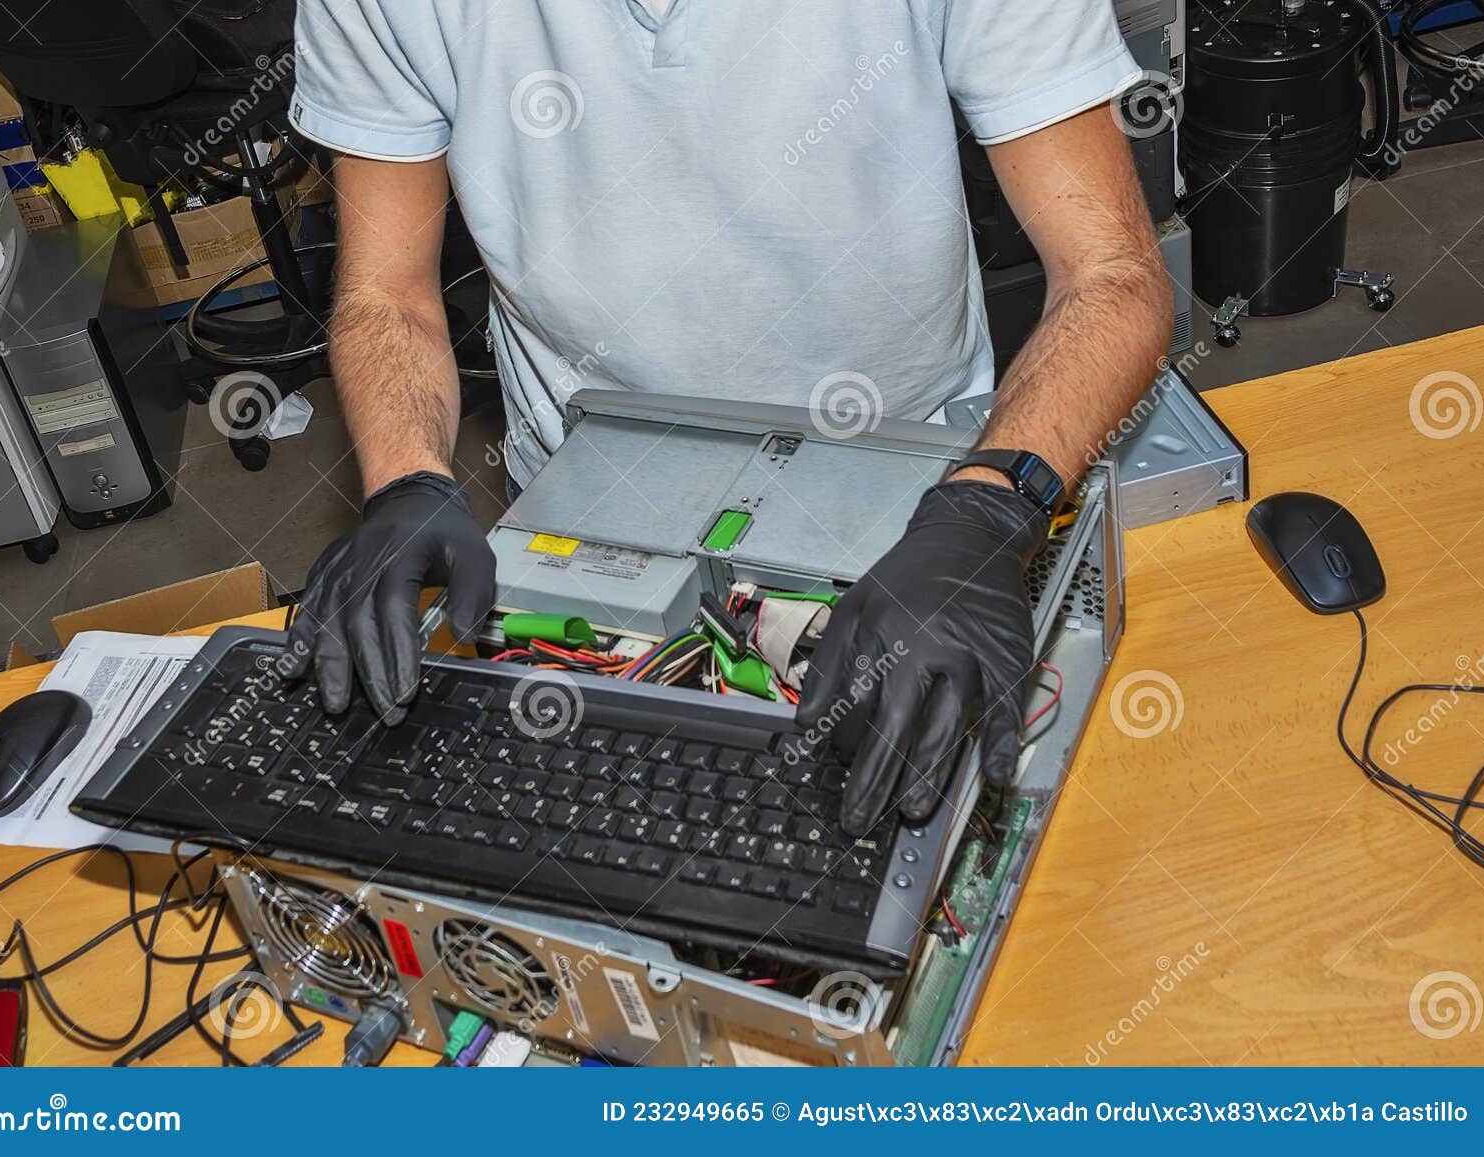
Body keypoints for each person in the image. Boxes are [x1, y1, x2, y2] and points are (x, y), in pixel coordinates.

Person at [282, 1, 1172, 834]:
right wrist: (406, 480)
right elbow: (386, 292)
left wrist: (987, 508)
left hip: (919, 511)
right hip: (582, 517)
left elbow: (1111, 275)